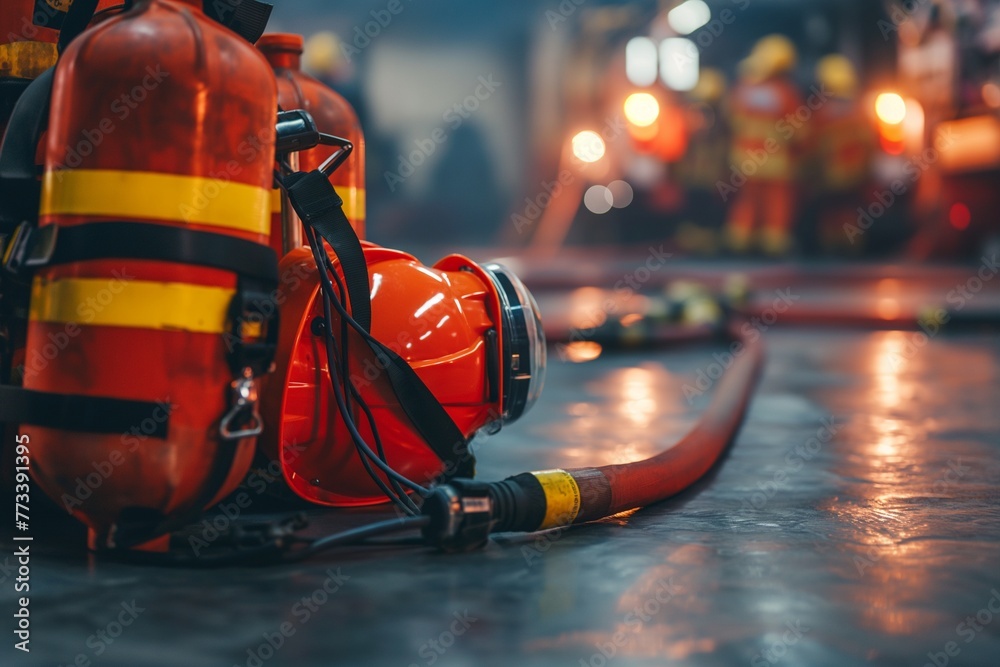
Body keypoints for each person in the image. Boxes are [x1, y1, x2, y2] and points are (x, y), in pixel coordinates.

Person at [723, 35, 804, 257]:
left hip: (744, 158)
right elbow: (798, 129)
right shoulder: (785, 92)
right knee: (776, 200)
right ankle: (773, 242)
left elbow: (730, 119)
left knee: (747, 200)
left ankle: (739, 239)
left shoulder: (743, 89)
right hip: (775, 160)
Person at [809, 54, 875, 254]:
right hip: (853, 174)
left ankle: (832, 245)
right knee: (849, 208)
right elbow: (869, 141)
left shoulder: (820, 111)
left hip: (830, 174)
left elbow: (812, 142)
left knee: (831, 209)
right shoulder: (858, 109)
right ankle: (849, 243)